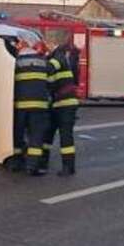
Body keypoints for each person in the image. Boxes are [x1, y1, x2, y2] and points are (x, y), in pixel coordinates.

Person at [12, 38, 51, 176]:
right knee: (36, 136)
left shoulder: (15, 62)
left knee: (17, 134)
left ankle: (15, 162)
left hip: (20, 107)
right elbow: (50, 82)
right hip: (39, 106)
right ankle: (32, 166)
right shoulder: (42, 61)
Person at [41, 39, 81, 176]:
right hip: (58, 104)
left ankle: (68, 167)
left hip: (65, 104)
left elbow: (49, 68)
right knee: (47, 134)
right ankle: (42, 163)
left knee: (65, 137)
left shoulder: (58, 57)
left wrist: (35, 64)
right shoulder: (58, 57)